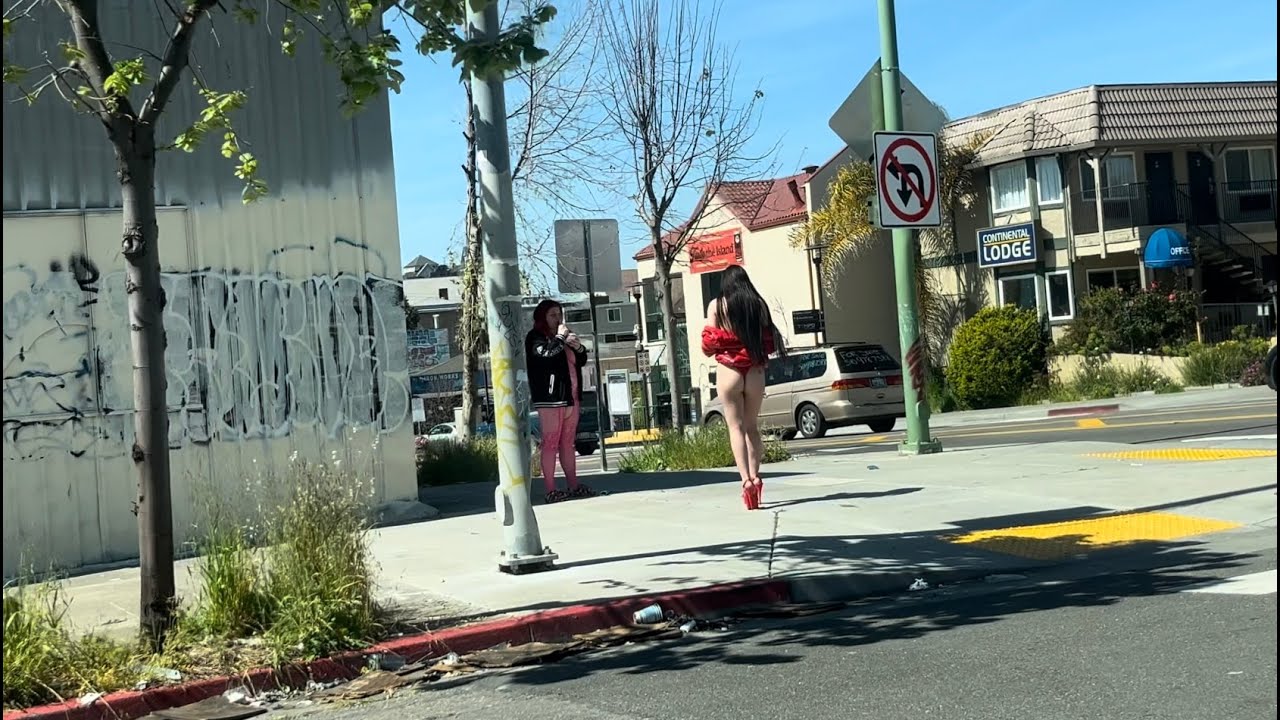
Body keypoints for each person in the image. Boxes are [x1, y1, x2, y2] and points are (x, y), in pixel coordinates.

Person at [700, 265, 784, 510]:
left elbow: (708, 343)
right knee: (751, 428)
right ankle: (756, 477)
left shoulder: (716, 306)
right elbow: (769, 338)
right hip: (755, 369)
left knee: (735, 428)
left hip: (729, 369)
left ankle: (745, 480)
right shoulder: (758, 305)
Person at [526, 299, 595, 503]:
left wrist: (578, 347)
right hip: (550, 398)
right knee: (550, 442)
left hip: (571, 395)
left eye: (559, 314)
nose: (558, 319)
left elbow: (579, 360)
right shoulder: (535, 338)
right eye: (553, 315)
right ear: (543, 317)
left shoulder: (563, 337)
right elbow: (545, 355)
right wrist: (560, 338)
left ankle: (573, 484)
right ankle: (550, 489)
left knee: (567, 443)